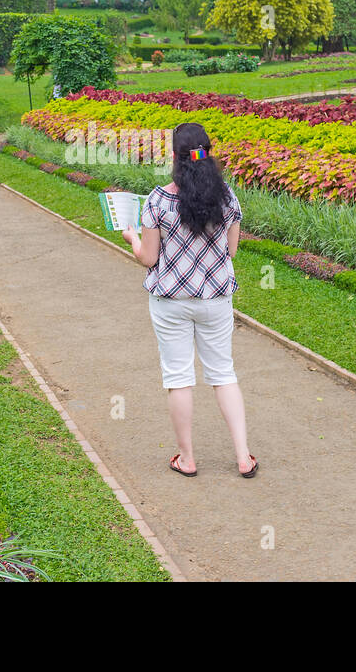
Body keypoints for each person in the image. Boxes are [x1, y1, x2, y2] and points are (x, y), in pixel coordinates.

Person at [121, 122, 257, 479]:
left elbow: (149, 258)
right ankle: (243, 457)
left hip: (170, 301)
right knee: (223, 373)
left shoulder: (158, 200)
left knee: (178, 377)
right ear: (208, 154)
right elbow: (231, 250)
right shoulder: (227, 197)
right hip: (215, 298)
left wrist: (132, 239)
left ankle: (188, 458)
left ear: (173, 157)